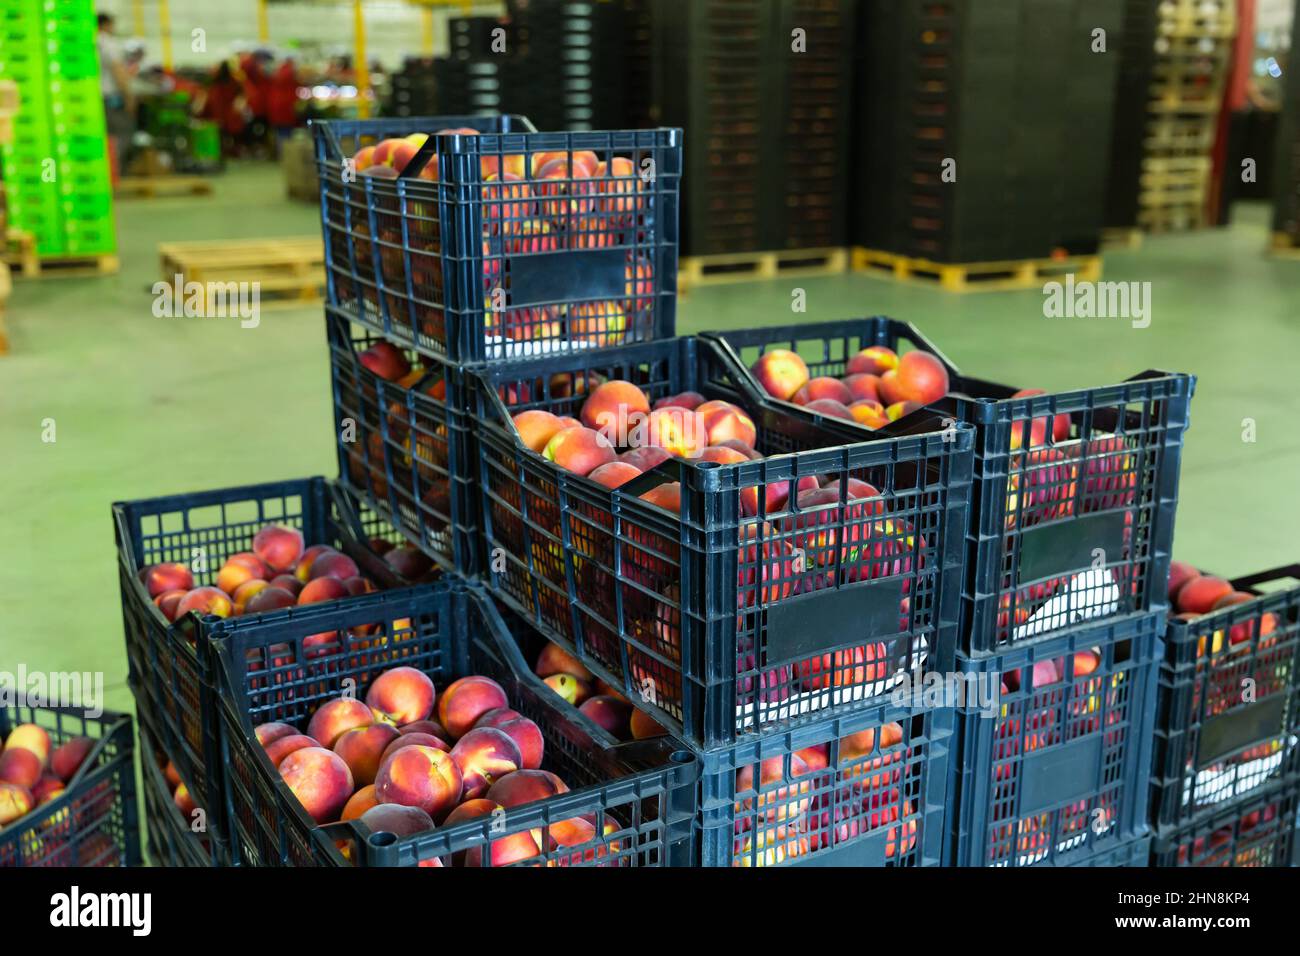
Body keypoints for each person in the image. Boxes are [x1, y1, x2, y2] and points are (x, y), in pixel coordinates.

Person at [97, 13, 136, 146]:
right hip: (111, 100)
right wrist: (129, 97)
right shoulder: (108, 43)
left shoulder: (89, 42)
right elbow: (117, 70)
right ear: (107, 25)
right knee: (122, 136)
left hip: (94, 100)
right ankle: (117, 166)